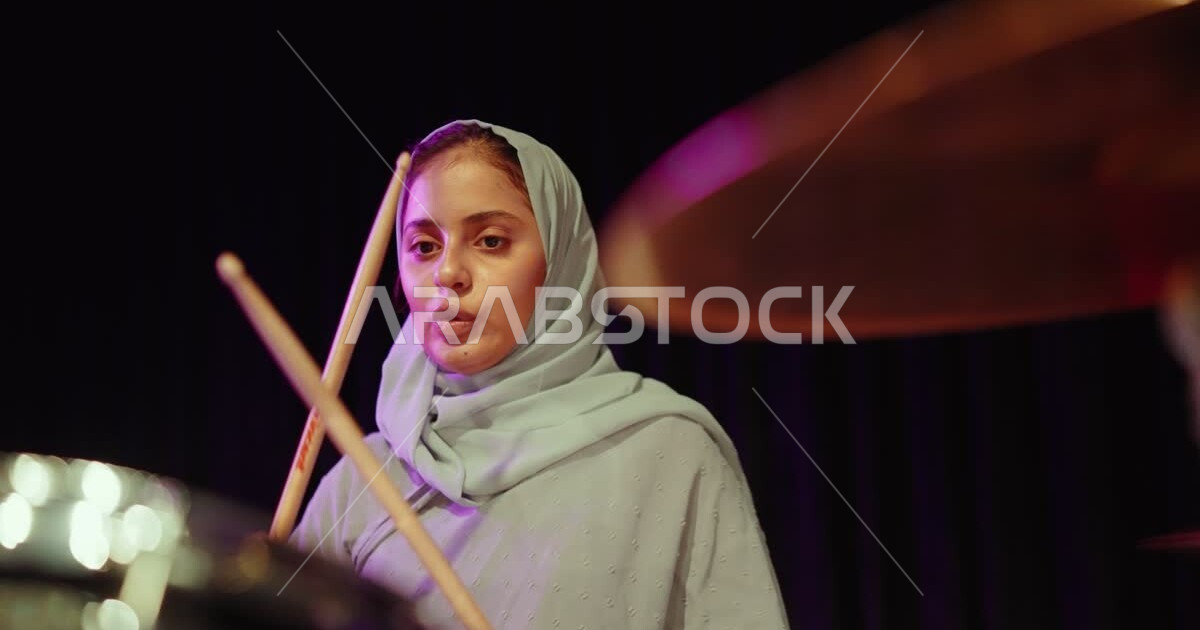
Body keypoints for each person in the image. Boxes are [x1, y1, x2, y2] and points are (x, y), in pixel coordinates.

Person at [290, 119, 791, 629]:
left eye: (490, 240)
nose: (447, 273)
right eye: (423, 246)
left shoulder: (669, 451)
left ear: (561, 263)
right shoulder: (360, 480)